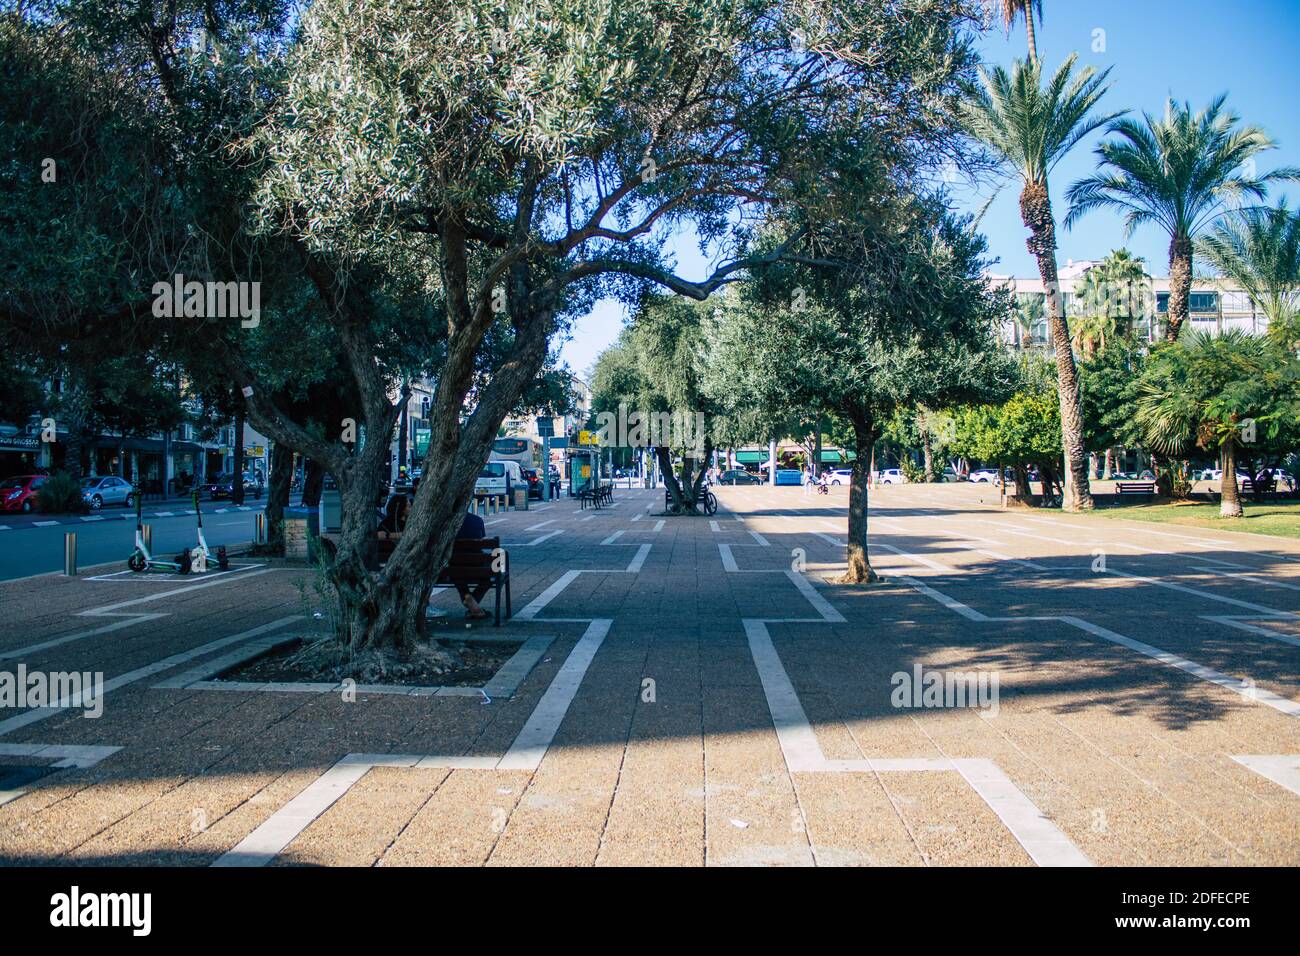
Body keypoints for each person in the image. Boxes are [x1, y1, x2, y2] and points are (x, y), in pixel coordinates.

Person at [453, 510, 491, 620]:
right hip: (477, 566)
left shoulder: (447, 522)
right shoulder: (477, 520)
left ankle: (468, 599)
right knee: (487, 579)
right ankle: (472, 601)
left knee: (458, 578)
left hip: (454, 567)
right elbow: (480, 539)